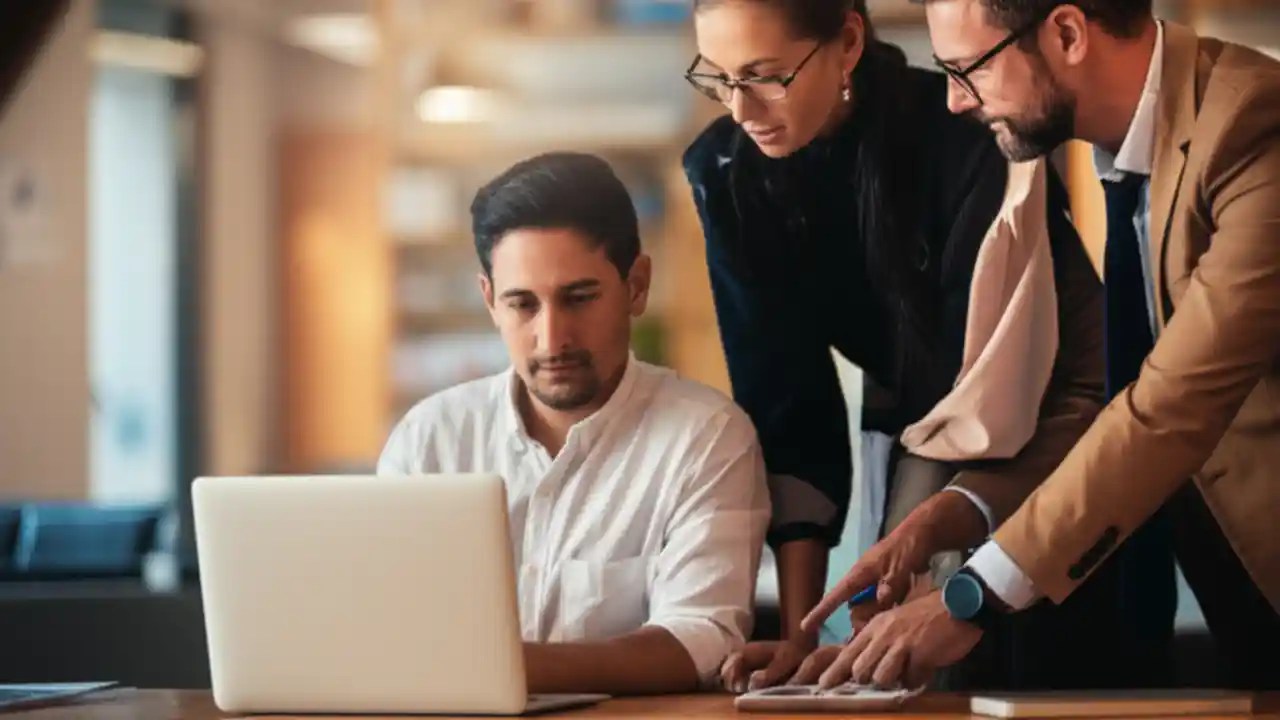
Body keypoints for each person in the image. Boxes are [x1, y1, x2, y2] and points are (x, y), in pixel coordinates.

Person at [805, 0, 1280, 691]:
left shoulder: (1252, 127)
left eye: (967, 69)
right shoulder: (1122, 157)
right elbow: (1110, 402)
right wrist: (955, 514)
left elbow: (1170, 408)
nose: (955, 101)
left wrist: (975, 592)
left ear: (1066, 33)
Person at [683, 0, 1134, 693]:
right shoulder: (726, 172)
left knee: (1023, 675)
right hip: (916, 433)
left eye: (766, 75)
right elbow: (786, 409)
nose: (741, 110)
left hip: (1061, 436)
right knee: (881, 667)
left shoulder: (965, 131)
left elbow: (986, 391)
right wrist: (802, 642)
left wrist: (917, 549)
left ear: (849, 43)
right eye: (719, 78)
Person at [378, 152, 771, 695]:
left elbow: (702, 639)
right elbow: (387, 623)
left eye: (579, 298)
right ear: (490, 301)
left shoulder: (704, 436)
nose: (552, 338)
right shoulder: (429, 439)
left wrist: (500, 668)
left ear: (636, 285)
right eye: (522, 305)